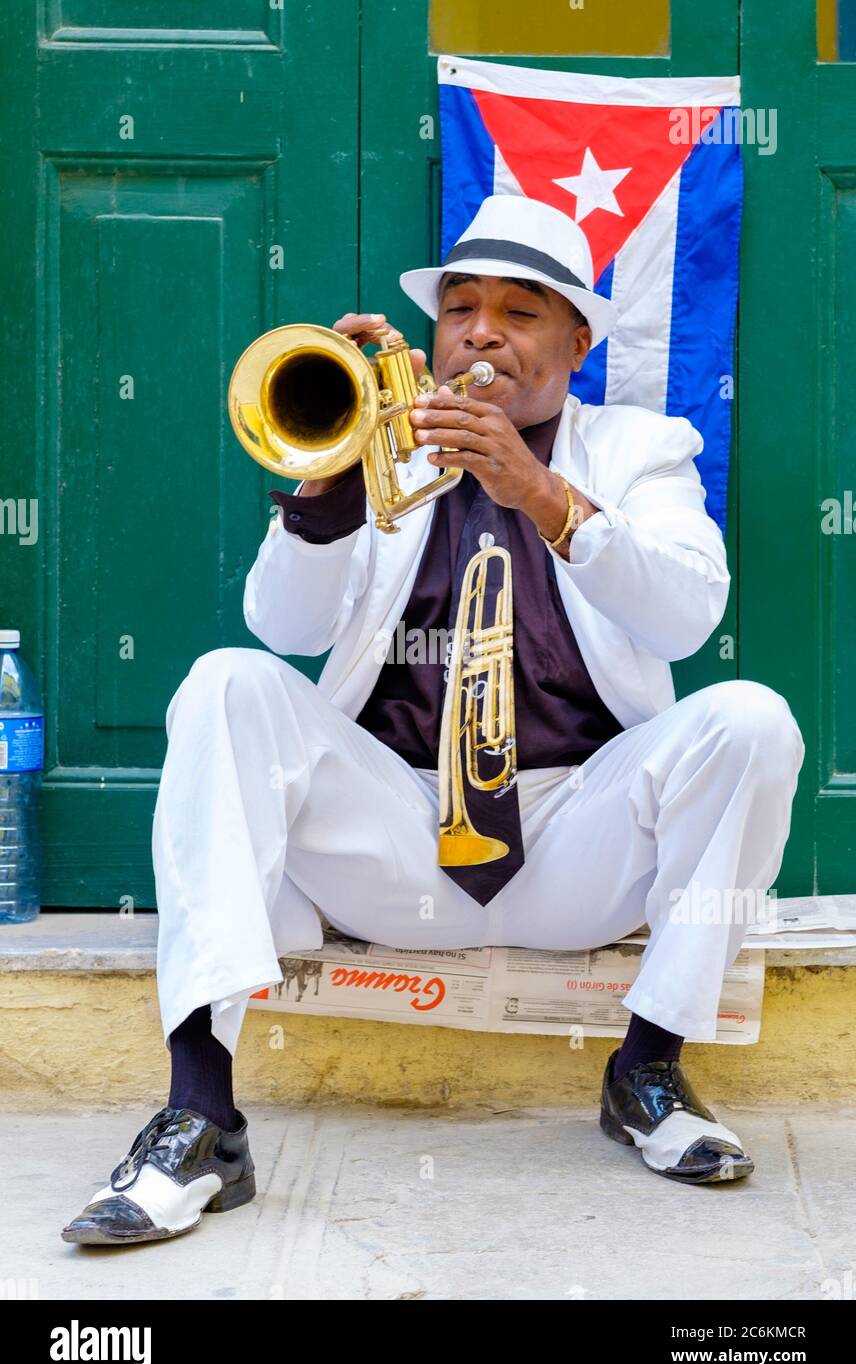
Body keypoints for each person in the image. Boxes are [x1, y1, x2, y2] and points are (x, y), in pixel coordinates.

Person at [61, 194, 805, 1247]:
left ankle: (647, 1070)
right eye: (461, 309)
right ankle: (200, 1114)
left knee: (752, 719)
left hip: (572, 840)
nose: (483, 333)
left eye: (519, 311)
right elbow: (282, 624)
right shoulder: (386, 441)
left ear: (578, 343)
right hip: (393, 839)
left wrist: (543, 494)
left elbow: (688, 614)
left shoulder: (640, 447)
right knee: (226, 683)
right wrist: (325, 493)